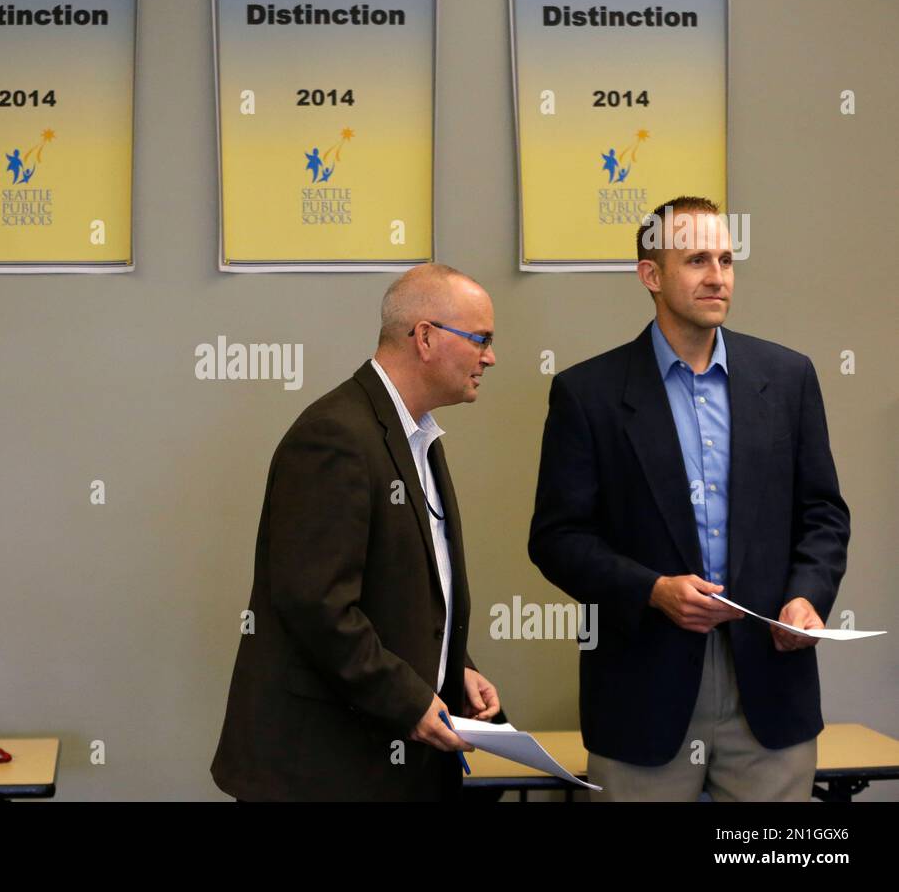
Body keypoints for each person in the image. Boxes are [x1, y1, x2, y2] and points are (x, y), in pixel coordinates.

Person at [528, 196, 849, 801]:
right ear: (651, 275)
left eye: (727, 259)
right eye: (697, 259)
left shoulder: (788, 378)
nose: (718, 276)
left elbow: (823, 514)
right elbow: (557, 538)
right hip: (643, 688)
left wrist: (808, 595)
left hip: (771, 682)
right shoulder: (587, 394)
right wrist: (652, 590)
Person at [211, 263, 502, 801]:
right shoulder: (335, 436)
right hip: (323, 770)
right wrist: (410, 699)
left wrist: (454, 667)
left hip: (391, 764)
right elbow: (316, 605)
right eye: (480, 339)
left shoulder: (418, 438)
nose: (489, 356)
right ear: (426, 338)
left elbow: (404, 593)